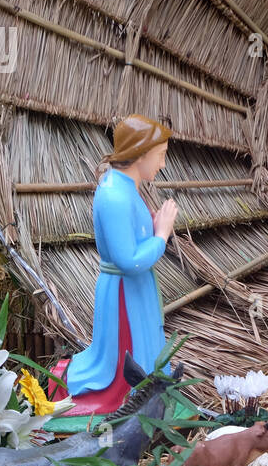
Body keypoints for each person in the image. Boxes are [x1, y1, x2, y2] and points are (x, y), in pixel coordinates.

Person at [59, 114, 179, 415]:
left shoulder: (123, 187)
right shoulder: (115, 195)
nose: (163, 165)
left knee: (141, 348)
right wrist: (161, 236)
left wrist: (148, 230)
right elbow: (129, 260)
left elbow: (129, 239)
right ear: (140, 154)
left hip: (135, 291)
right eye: (160, 156)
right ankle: (130, 402)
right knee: (125, 357)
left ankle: (147, 395)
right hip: (125, 293)